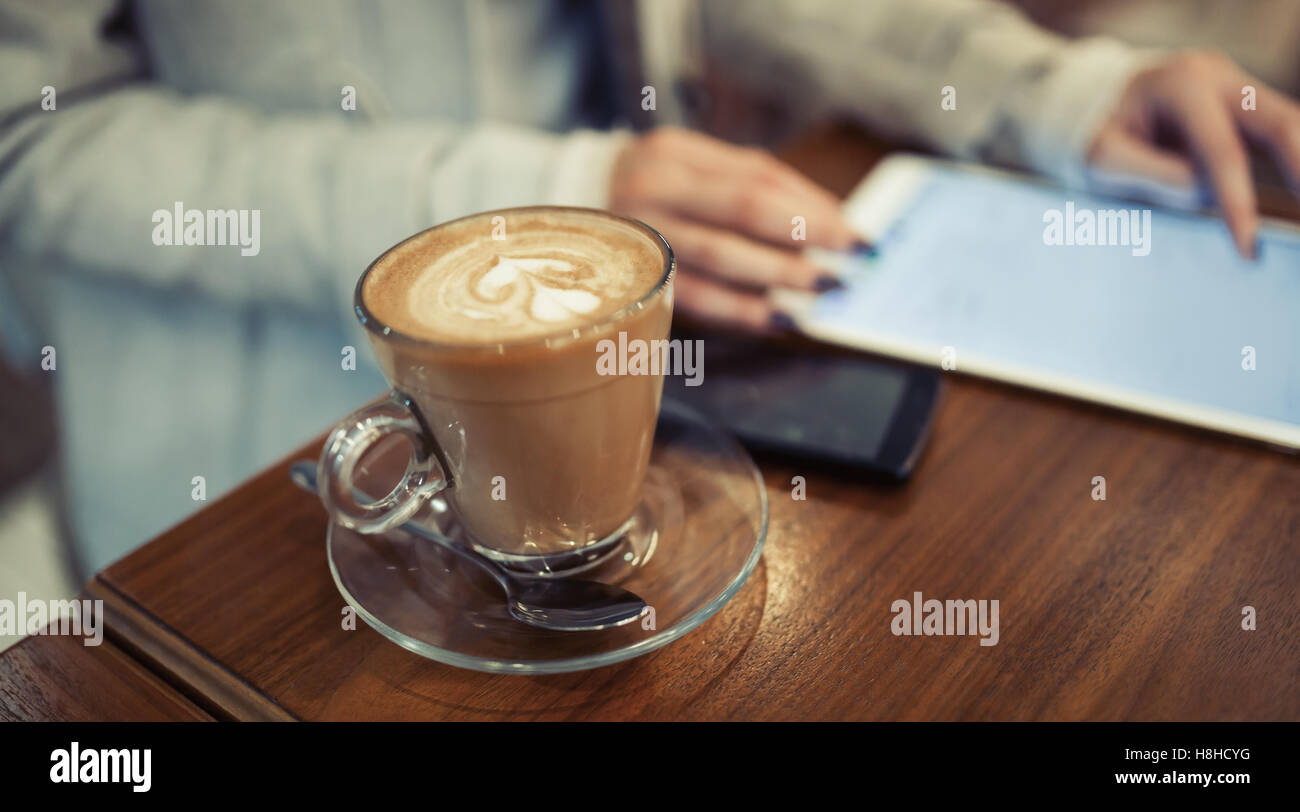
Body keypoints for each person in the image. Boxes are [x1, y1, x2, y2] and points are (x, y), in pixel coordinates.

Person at [1, 0, 1297, 574]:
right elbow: (32, 133)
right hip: (249, 459)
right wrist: (546, 187)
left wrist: (1039, 88)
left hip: (664, 353)